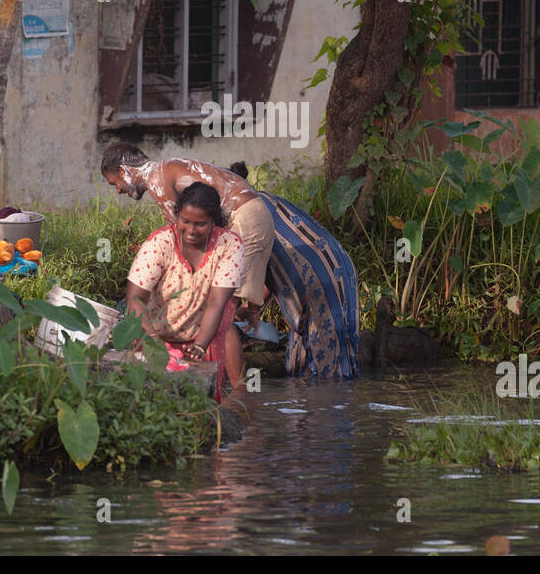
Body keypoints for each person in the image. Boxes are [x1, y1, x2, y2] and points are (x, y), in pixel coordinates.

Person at [102, 143, 274, 328]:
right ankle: (243, 335)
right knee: (226, 303)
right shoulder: (164, 169)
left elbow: (178, 237)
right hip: (255, 213)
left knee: (222, 308)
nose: (118, 190)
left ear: (123, 172)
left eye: (114, 184)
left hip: (244, 218)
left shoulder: (156, 178)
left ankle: (214, 349)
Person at [227, 162, 359, 380]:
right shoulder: (260, 202)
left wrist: (225, 318)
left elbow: (249, 273)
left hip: (320, 280)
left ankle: (330, 408)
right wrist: (245, 311)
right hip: (332, 271)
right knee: (304, 364)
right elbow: (264, 273)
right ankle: (313, 409)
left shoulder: (245, 217)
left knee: (327, 367)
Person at [123, 182, 245, 395]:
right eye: (185, 221)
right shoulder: (160, 243)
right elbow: (135, 298)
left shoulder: (228, 244)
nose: (191, 231)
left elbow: (217, 303)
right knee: (153, 400)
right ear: (177, 216)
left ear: (213, 222)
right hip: (154, 334)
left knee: (202, 405)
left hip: (202, 333)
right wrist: (153, 341)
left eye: (200, 224)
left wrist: (199, 347)